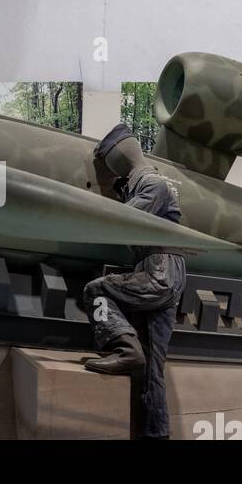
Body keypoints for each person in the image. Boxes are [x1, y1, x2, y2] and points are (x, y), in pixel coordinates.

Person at [82, 123, 187, 439]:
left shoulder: (153, 184)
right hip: (165, 271)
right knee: (153, 368)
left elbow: (122, 221)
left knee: (96, 290)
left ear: (120, 157)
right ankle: (156, 434)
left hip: (158, 270)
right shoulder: (148, 184)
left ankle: (125, 348)